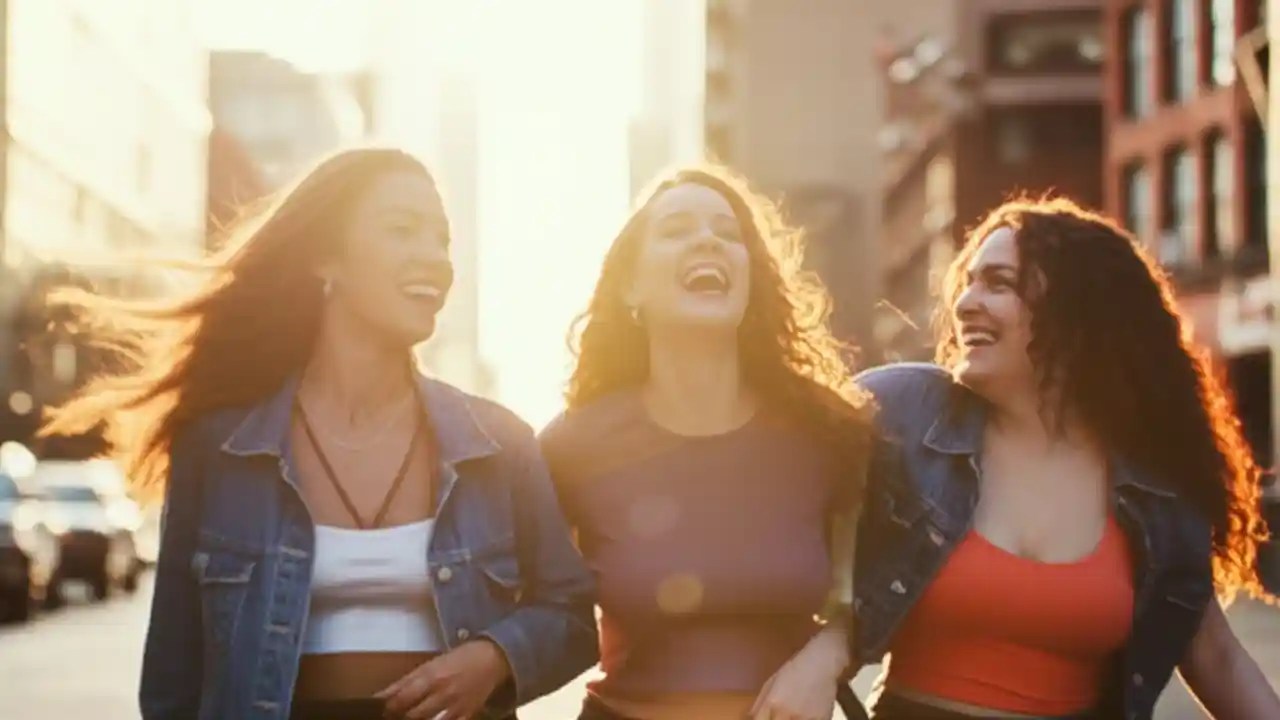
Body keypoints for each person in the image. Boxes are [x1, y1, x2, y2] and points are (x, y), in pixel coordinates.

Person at [43, 147, 598, 720]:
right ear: (325, 260)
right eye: (403, 231)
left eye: (442, 241)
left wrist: (493, 657)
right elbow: (173, 676)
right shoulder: (222, 447)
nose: (434, 259)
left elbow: (573, 613)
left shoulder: (499, 443)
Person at [850, 197, 1280, 719]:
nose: (965, 303)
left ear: (1079, 312)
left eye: (998, 283)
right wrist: (825, 649)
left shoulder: (1155, 486)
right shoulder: (904, 410)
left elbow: (1216, 656)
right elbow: (788, 525)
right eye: (968, 282)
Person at [540, 165, 872, 720]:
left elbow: (895, 581)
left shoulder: (828, 433)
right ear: (631, 286)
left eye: (727, 231)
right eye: (676, 230)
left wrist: (831, 651)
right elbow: (530, 612)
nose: (707, 240)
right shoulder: (571, 448)